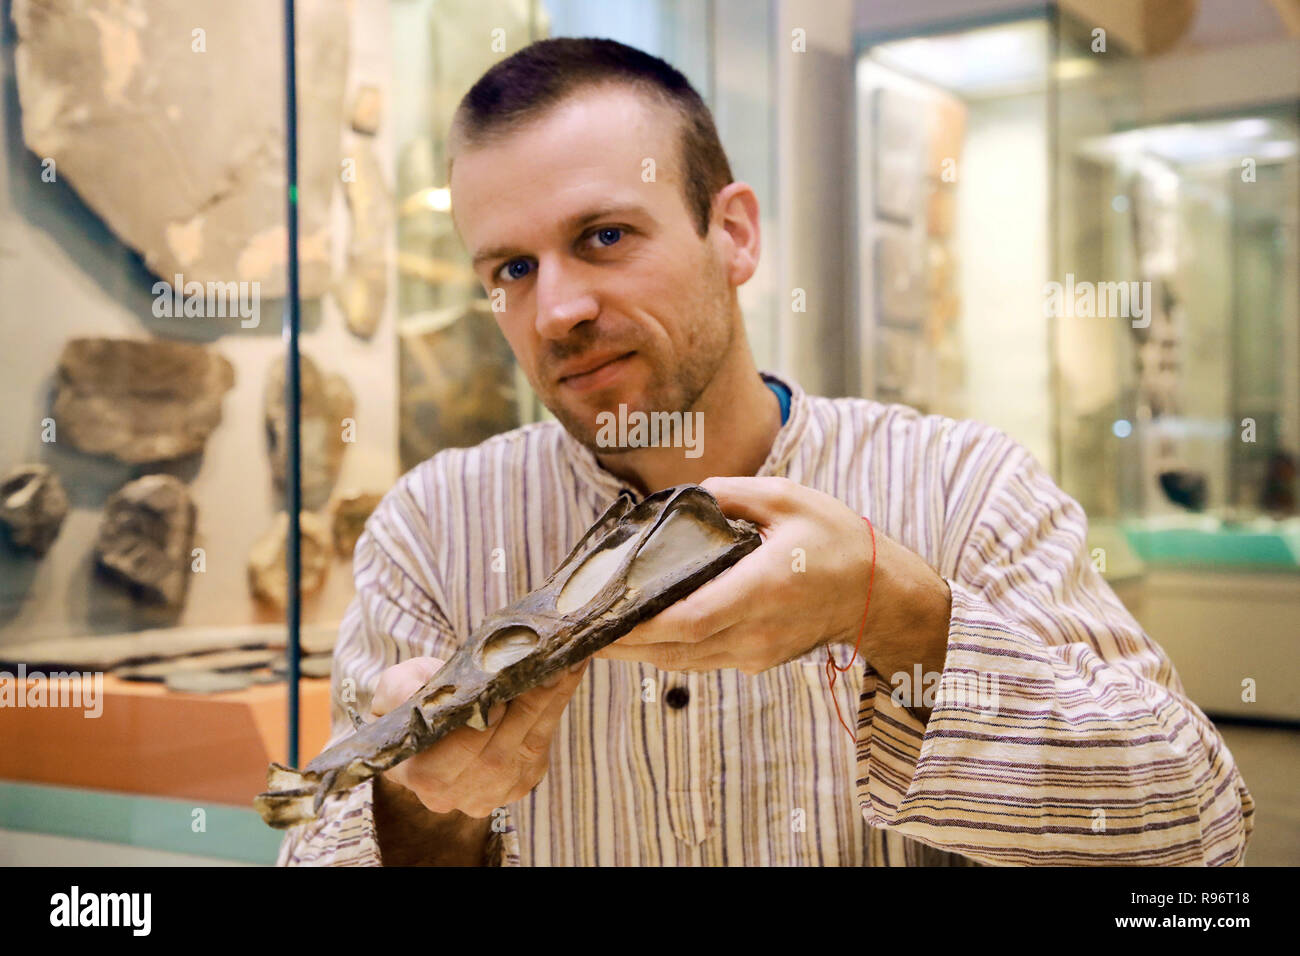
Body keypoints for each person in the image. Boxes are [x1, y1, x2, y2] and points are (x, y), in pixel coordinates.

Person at [279, 37, 1253, 866]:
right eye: (513, 268)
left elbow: (1195, 822)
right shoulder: (435, 526)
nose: (558, 309)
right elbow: (321, 847)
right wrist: (426, 807)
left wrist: (902, 614)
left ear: (734, 234)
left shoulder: (961, 487)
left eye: (606, 235)